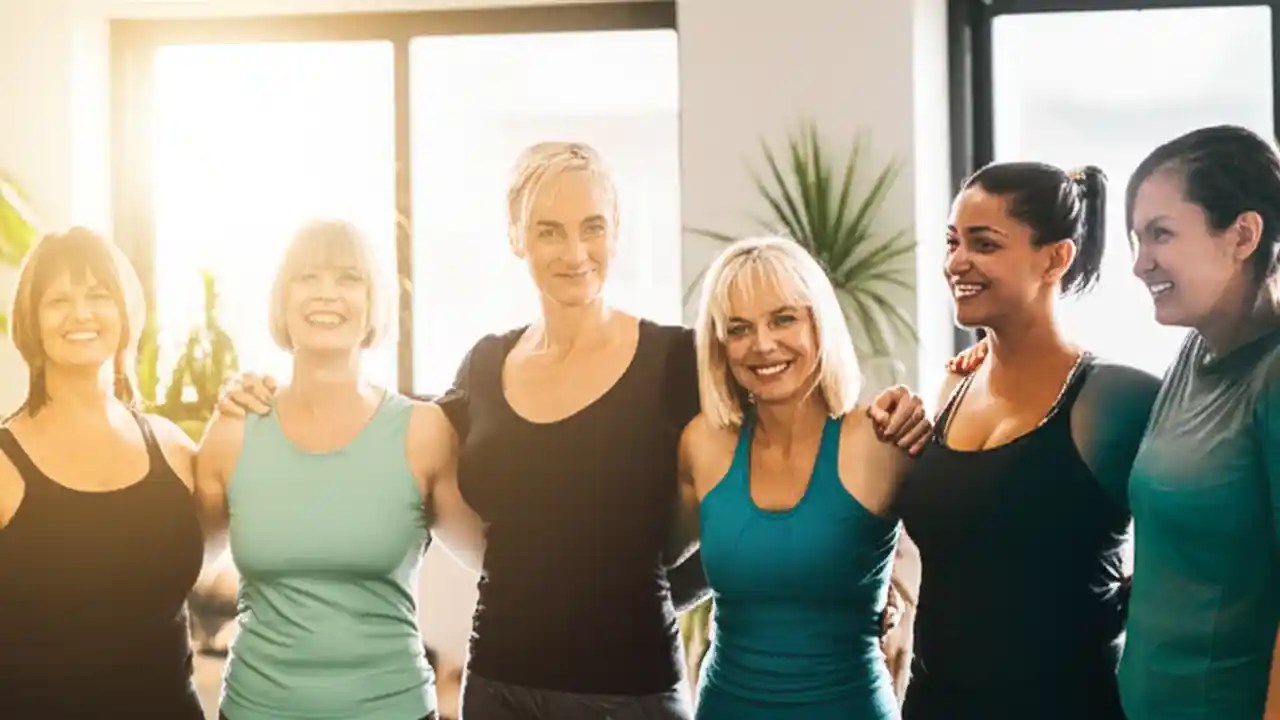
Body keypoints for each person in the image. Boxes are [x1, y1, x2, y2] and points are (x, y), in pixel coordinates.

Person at [219, 142, 929, 719]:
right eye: (548, 230)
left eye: (592, 226)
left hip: (632, 691)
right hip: (499, 687)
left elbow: (782, 464)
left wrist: (875, 589)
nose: (574, 251)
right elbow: (382, 446)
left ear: (616, 232)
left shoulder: (675, 361)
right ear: (516, 238)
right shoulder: (485, 365)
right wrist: (259, 395)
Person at [896, 162, 1160, 719]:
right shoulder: (951, 386)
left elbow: (1203, 541)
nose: (957, 262)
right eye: (953, 242)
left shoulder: (1115, 399)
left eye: (984, 244)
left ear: (1056, 258)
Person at [196, 218, 483, 720]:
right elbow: (172, 568)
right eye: (307, 277)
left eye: (348, 278)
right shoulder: (233, 432)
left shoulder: (424, 432)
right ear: (282, 300)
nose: (326, 294)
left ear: (373, 304)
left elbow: (500, 566)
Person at [672, 236, 924, 719]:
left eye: (783, 319)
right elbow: (652, 572)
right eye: (739, 328)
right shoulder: (702, 444)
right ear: (720, 346)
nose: (763, 344)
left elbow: (960, 560)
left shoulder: (881, 439)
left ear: (818, 323)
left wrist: (904, 601)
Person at [0, 228, 205, 717]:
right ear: (31, 319)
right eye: (58, 301)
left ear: (125, 311)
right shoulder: (4, 464)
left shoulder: (173, 448)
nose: (81, 314)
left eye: (98, 295)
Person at [1116, 125, 1280, 720]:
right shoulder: (1194, 350)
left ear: (1243, 235)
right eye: (1137, 238)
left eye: (1161, 234)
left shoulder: (1273, 376)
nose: (1140, 264)